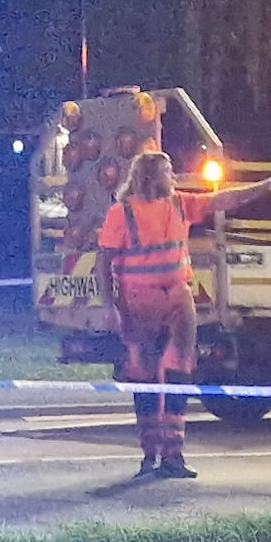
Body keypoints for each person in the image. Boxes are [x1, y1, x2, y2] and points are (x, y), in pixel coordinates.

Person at [95, 145, 197, 484]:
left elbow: (226, 200)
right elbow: (104, 262)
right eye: (169, 171)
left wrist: (265, 186)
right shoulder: (121, 213)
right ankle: (151, 455)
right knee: (145, 379)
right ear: (153, 177)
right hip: (138, 308)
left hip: (177, 303)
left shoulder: (180, 203)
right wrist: (108, 305)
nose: (174, 177)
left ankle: (172, 455)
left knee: (178, 376)